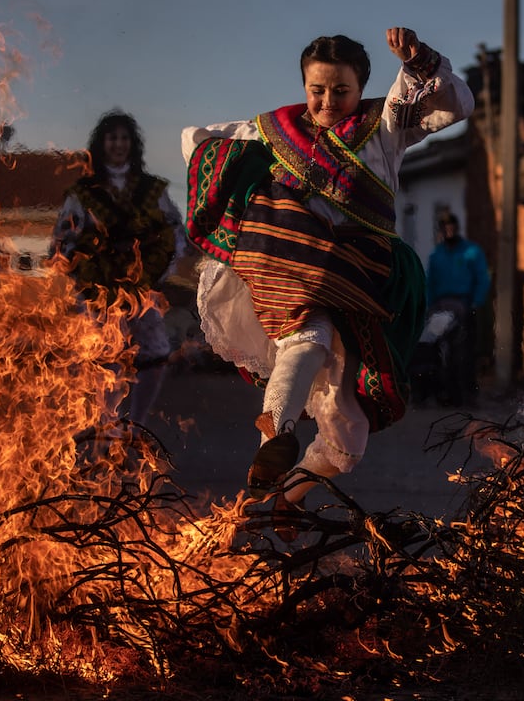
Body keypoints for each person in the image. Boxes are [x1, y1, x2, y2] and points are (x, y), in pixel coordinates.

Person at [182, 27, 474, 537]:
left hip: (360, 279)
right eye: (317, 89)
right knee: (307, 334)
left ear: (362, 87)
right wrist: (258, 189)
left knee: (349, 433)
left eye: (341, 90)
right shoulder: (273, 130)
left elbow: (455, 106)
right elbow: (197, 140)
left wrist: (420, 63)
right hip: (288, 263)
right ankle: (276, 430)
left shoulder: (386, 125)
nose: (327, 101)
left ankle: (286, 497)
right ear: (304, 85)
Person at [51, 109, 188, 436]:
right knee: (104, 354)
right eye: (112, 138)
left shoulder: (152, 189)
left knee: (154, 354)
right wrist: (83, 275)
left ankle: (137, 423)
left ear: (133, 144)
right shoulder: (84, 192)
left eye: (124, 138)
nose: (118, 144)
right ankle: (107, 423)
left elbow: (174, 232)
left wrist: (158, 272)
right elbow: (64, 239)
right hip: (98, 289)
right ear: (101, 143)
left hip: (143, 287)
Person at [424, 211, 491, 406]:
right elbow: (430, 283)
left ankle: (467, 394)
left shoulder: (471, 252)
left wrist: (475, 303)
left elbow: (482, 278)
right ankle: (444, 392)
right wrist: (429, 307)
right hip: (441, 308)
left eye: (451, 227)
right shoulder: (436, 255)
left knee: (464, 353)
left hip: (464, 306)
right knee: (439, 352)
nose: (449, 231)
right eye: (445, 227)